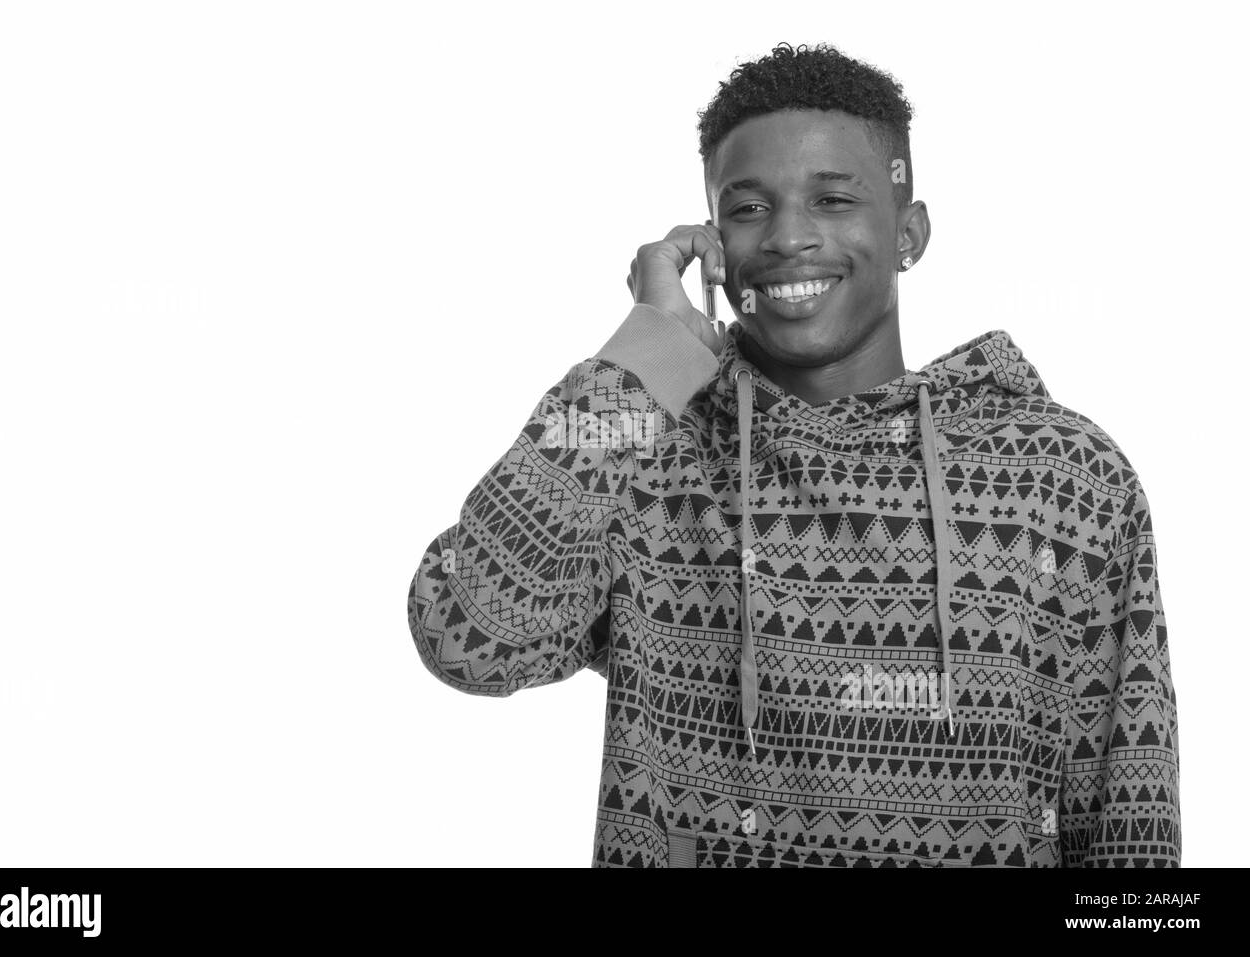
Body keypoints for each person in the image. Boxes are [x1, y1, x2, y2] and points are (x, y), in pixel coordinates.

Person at [406, 41, 1180, 868]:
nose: (788, 237)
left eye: (833, 199)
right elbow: (467, 634)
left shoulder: (1064, 478)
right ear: (711, 242)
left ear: (910, 232)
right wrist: (649, 353)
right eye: (747, 209)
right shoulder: (648, 457)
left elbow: (1127, 813)